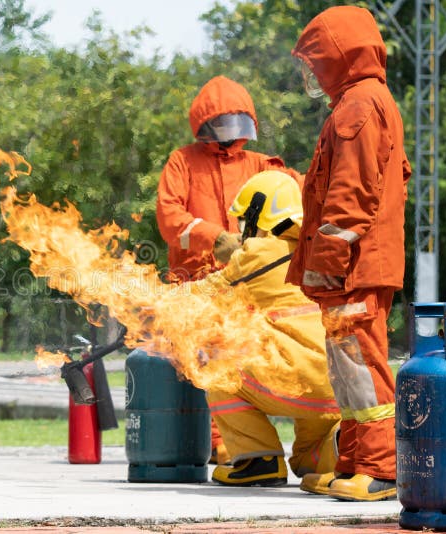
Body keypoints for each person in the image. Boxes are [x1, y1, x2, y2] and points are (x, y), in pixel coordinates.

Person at [286, 5, 411, 501]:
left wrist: (327, 265)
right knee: (348, 368)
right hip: (353, 267)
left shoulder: (359, 106)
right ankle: (354, 464)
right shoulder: (358, 101)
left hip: (354, 269)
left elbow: (350, 196)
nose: (311, 72)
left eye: (316, 61)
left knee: (362, 364)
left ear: (339, 56)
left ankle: (380, 469)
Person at [156, 75, 302, 464]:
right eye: (219, 126)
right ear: (201, 125)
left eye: (235, 125)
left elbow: (299, 203)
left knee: (245, 366)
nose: (228, 135)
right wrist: (213, 237)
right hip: (198, 286)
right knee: (207, 363)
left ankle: (263, 449)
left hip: (250, 289)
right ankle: (222, 445)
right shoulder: (182, 162)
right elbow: (169, 218)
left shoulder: (263, 165)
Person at [191, 170, 341, 487]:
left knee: (220, 369)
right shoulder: (319, 249)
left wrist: (148, 298)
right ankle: (340, 446)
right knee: (306, 461)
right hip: (338, 383)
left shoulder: (257, 252)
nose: (244, 229)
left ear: (260, 213)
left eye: (246, 219)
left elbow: (203, 294)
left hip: (294, 376)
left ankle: (258, 460)